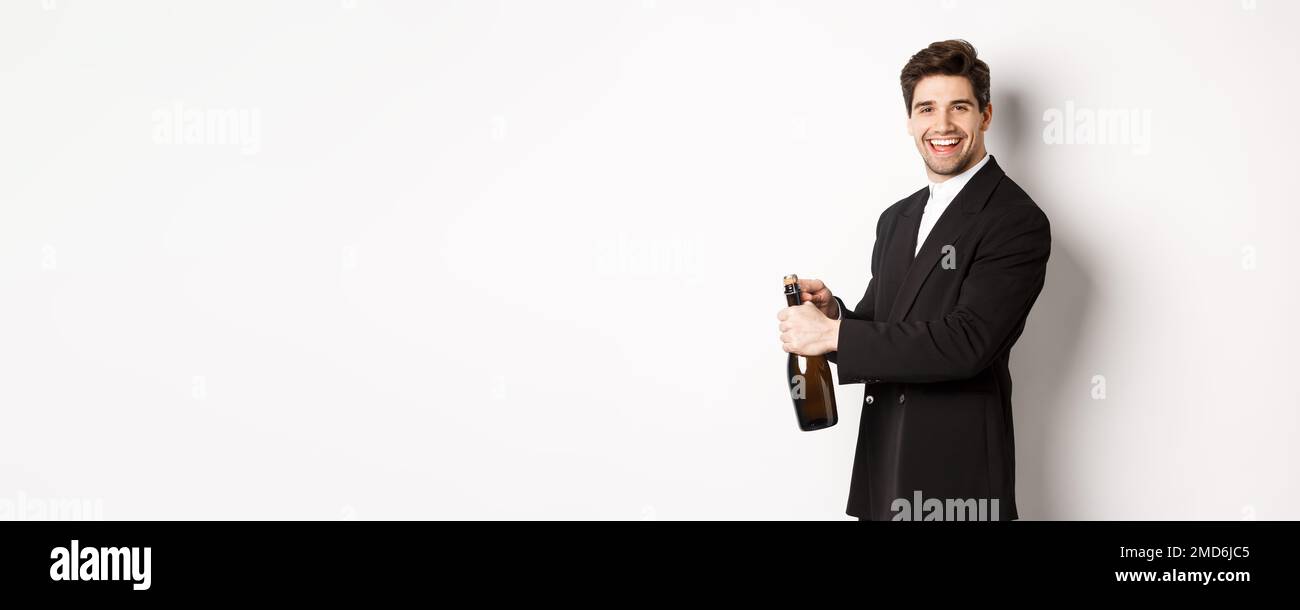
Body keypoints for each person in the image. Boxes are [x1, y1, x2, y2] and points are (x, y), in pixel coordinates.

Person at [777, 40, 1051, 521]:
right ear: (909, 120)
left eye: (959, 107)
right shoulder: (897, 218)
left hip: (957, 479)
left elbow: (967, 343)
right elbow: (885, 321)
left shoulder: (1015, 220)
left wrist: (837, 335)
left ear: (985, 116)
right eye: (927, 108)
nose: (942, 126)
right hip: (885, 463)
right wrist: (836, 315)